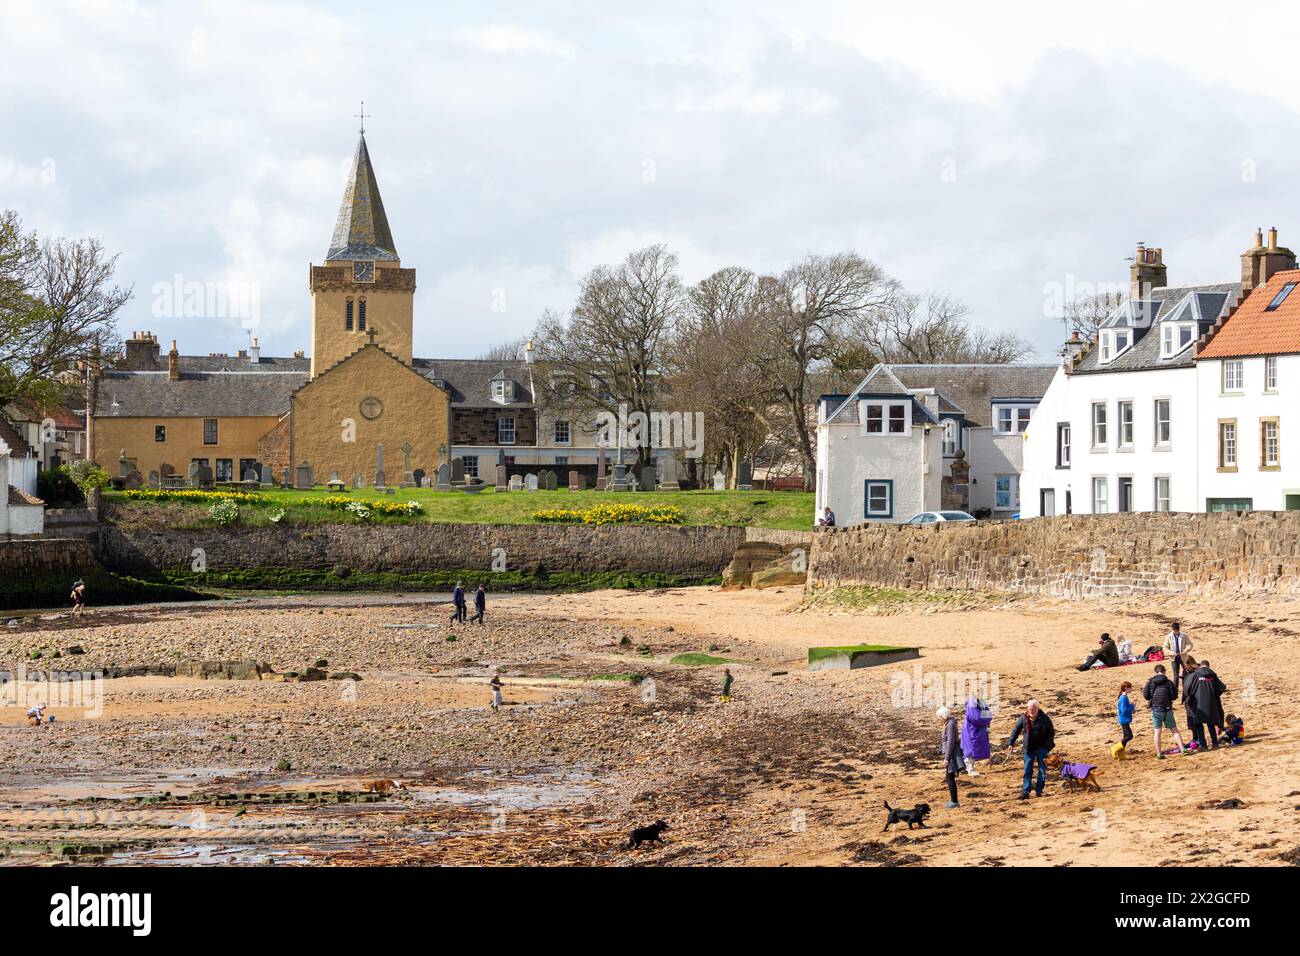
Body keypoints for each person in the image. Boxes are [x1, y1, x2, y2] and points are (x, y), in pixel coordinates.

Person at [1005, 699, 1055, 799]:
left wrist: (1046, 748)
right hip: (1028, 749)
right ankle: (1025, 791)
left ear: (1037, 709)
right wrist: (1010, 743)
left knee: (1042, 770)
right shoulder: (1024, 718)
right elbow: (1016, 730)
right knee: (1027, 770)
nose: (1030, 711)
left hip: (1042, 748)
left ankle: (1039, 791)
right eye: (1029, 709)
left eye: (1032, 709)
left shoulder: (1044, 718)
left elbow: (1051, 733)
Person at [1142, 664, 1189, 758]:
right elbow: (1174, 696)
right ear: (1164, 671)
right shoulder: (1168, 682)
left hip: (1156, 709)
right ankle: (1182, 749)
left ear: (1155, 672)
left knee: (1157, 732)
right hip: (1167, 708)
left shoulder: (1150, 682)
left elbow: (1146, 695)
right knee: (1174, 730)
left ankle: (1159, 753)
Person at [1182, 659, 1227, 750]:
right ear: (1208, 666)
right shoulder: (1213, 675)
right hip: (1211, 703)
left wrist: (1189, 697)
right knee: (1210, 723)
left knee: (1198, 724)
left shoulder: (1193, 675)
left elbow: (1186, 688)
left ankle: (1203, 745)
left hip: (1197, 704)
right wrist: (1214, 695)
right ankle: (1215, 743)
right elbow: (1222, 688)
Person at [938, 706, 965, 808]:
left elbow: (950, 743)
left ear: (944, 716)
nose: (939, 719)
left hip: (952, 754)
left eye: (939, 717)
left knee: (950, 777)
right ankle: (953, 800)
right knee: (949, 777)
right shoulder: (949, 724)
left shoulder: (950, 725)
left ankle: (954, 802)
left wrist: (946, 758)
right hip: (951, 754)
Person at [960, 694, 992, 777]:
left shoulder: (981, 702)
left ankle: (969, 769)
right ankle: (970, 769)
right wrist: (985, 719)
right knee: (970, 749)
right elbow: (976, 718)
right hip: (971, 730)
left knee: (974, 748)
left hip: (978, 730)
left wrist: (986, 719)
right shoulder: (971, 702)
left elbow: (988, 714)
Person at [1163, 622, 1193, 697]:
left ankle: (1187, 689)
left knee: (1186, 673)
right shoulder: (1168, 637)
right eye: (1174, 630)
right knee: (1176, 676)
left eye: (1177, 630)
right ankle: (1175, 692)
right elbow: (1165, 648)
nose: (1175, 632)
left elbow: (1190, 645)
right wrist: (1171, 653)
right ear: (1172, 629)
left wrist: (1185, 650)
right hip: (1174, 658)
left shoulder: (1184, 635)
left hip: (1183, 657)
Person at [1117, 681, 1136, 750]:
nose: (1131, 689)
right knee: (1129, 736)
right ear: (1125, 688)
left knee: (1125, 736)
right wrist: (1132, 706)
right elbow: (1124, 710)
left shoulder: (1123, 696)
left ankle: (1121, 750)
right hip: (1124, 719)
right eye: (1130, 687)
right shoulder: (1123, 697)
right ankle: (1116, 748)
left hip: (1123, 719)